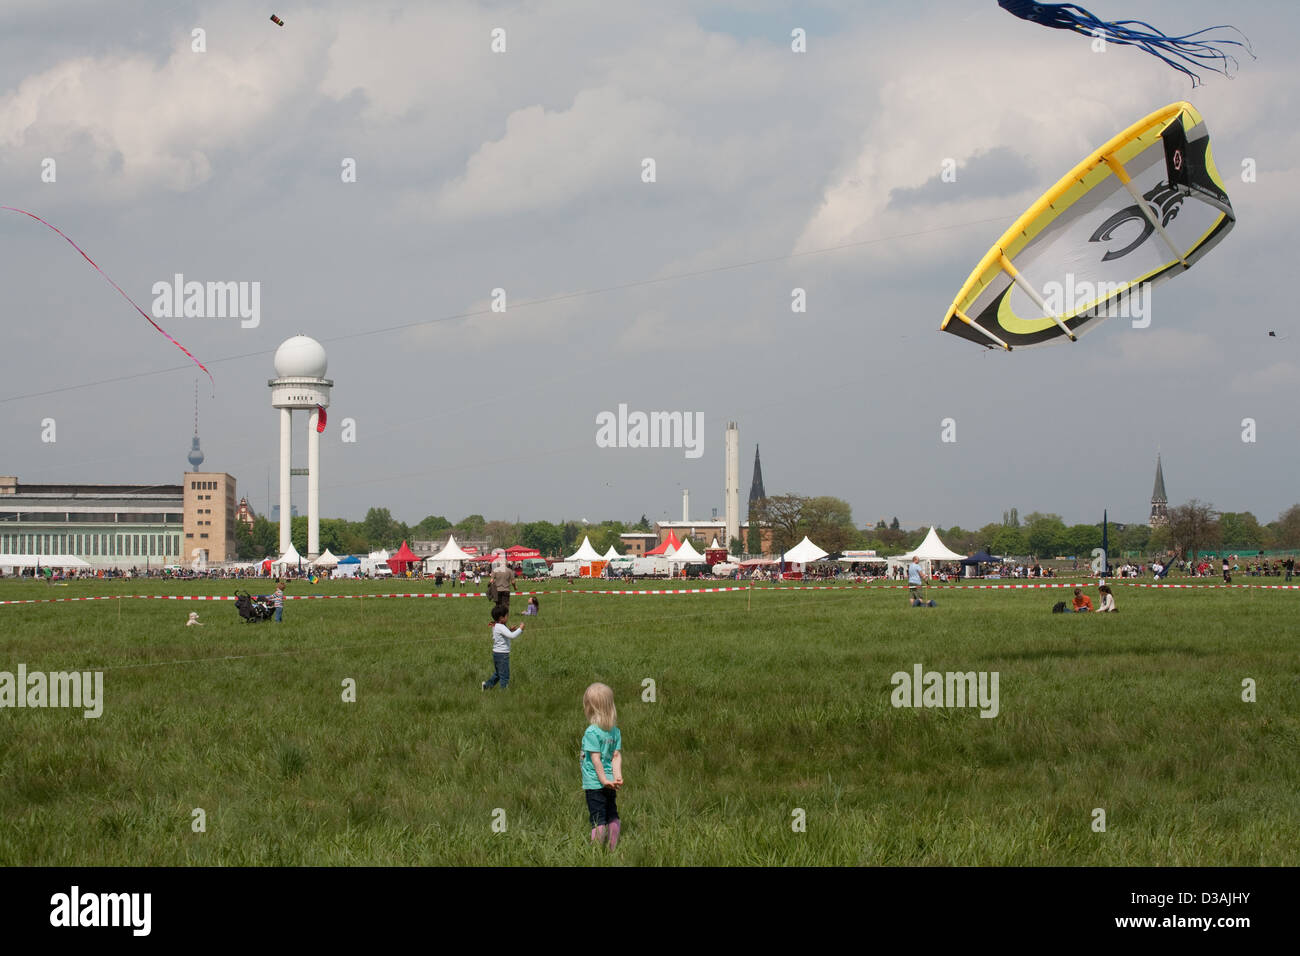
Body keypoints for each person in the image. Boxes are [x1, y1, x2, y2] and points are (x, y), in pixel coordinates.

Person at [581, 682, 623, 850]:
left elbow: (596, 759)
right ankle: (613, 849)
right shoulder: (614, 731)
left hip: (594, 782)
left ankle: (595, 853)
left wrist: (603, 779)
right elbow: (616, 756)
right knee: (612, 814)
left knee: (598, 819)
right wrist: (616, 776)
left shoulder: (592, 732)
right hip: (610, 781)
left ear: (590, 707)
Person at [482, 604, 525, 690]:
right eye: (507, 616)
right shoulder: (501, 627)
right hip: (502, 655)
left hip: (496, 654)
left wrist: (509, 630)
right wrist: (520, 629)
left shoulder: (496, 626)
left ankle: (486, 686)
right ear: (501, 618)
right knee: (504, 675)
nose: (508, 617)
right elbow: (512, 636)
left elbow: (503, 634)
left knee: (498, 674)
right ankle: (504, 692)